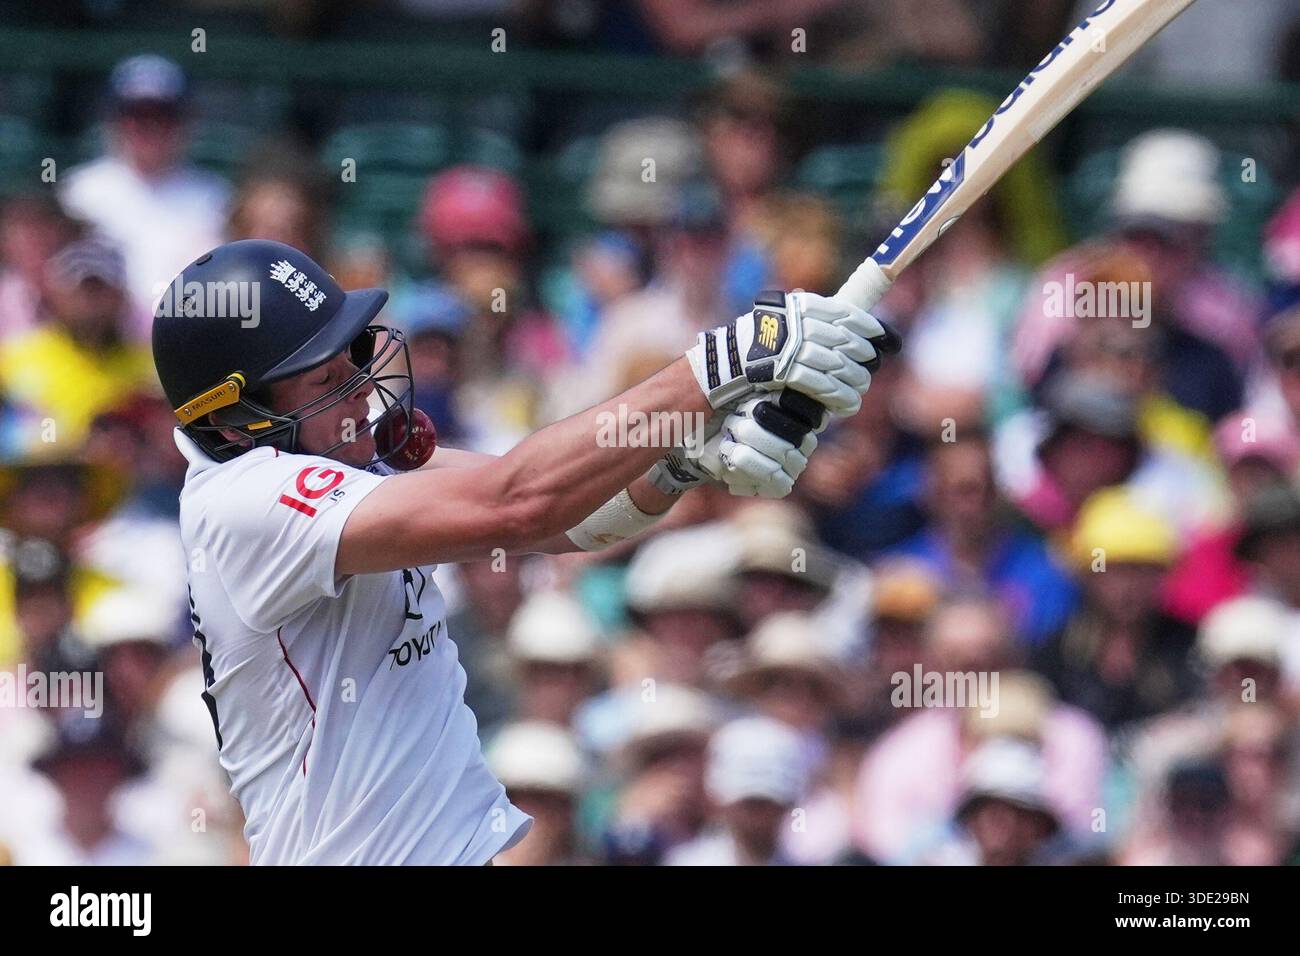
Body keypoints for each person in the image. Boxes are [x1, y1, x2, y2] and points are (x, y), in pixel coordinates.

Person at [151, 238, 896, 864]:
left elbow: (567, 524)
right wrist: (722, 363)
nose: (358, 391)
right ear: (239, 418)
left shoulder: (337, 463)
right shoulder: (245, 501)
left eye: (350, 361)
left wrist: (680, 461)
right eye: (324, 379)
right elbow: (514, 502)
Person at [60, 55, 229, 332]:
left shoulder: (214, 196)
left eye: (162, 115)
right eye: (136, 114)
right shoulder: (79, 191)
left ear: (184, 121)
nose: (148, 126)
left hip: (185, 339)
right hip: (100, 347)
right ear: (115, 119)